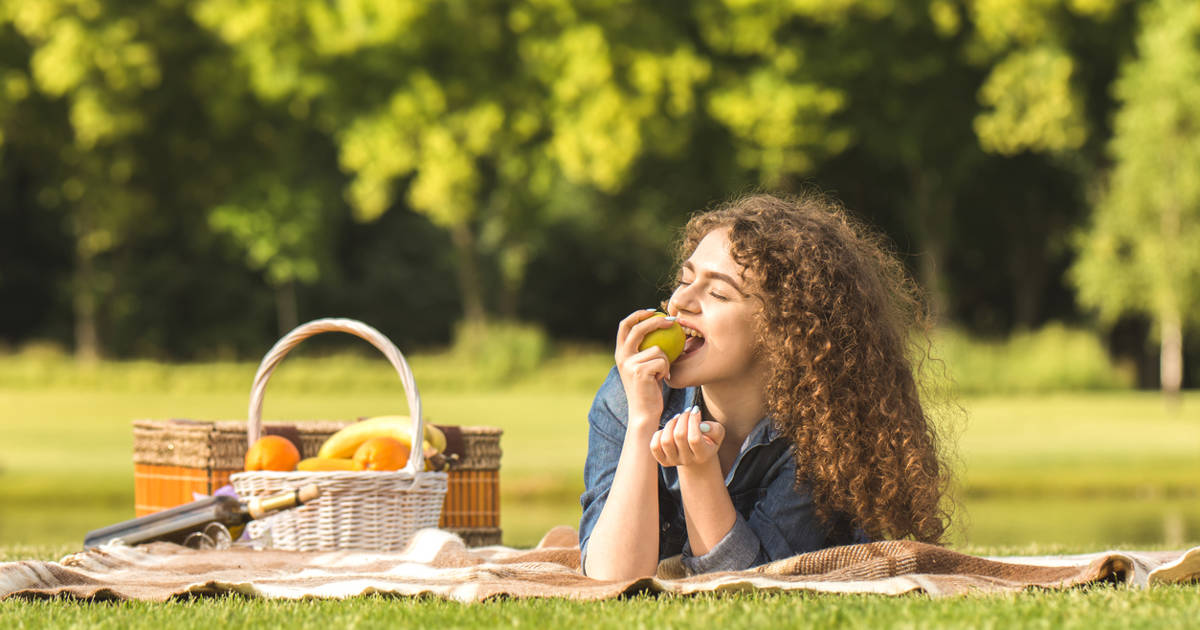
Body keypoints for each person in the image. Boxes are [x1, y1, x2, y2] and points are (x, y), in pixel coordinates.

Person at [578, 192, 953, 580]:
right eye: (684, 280)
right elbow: (611, 579)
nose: (679, 303)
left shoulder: (826, 434)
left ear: (783, 329)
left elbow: (754, 583)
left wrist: (698, 473)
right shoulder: (631, 393)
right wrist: (642, 422)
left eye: (718, 293)